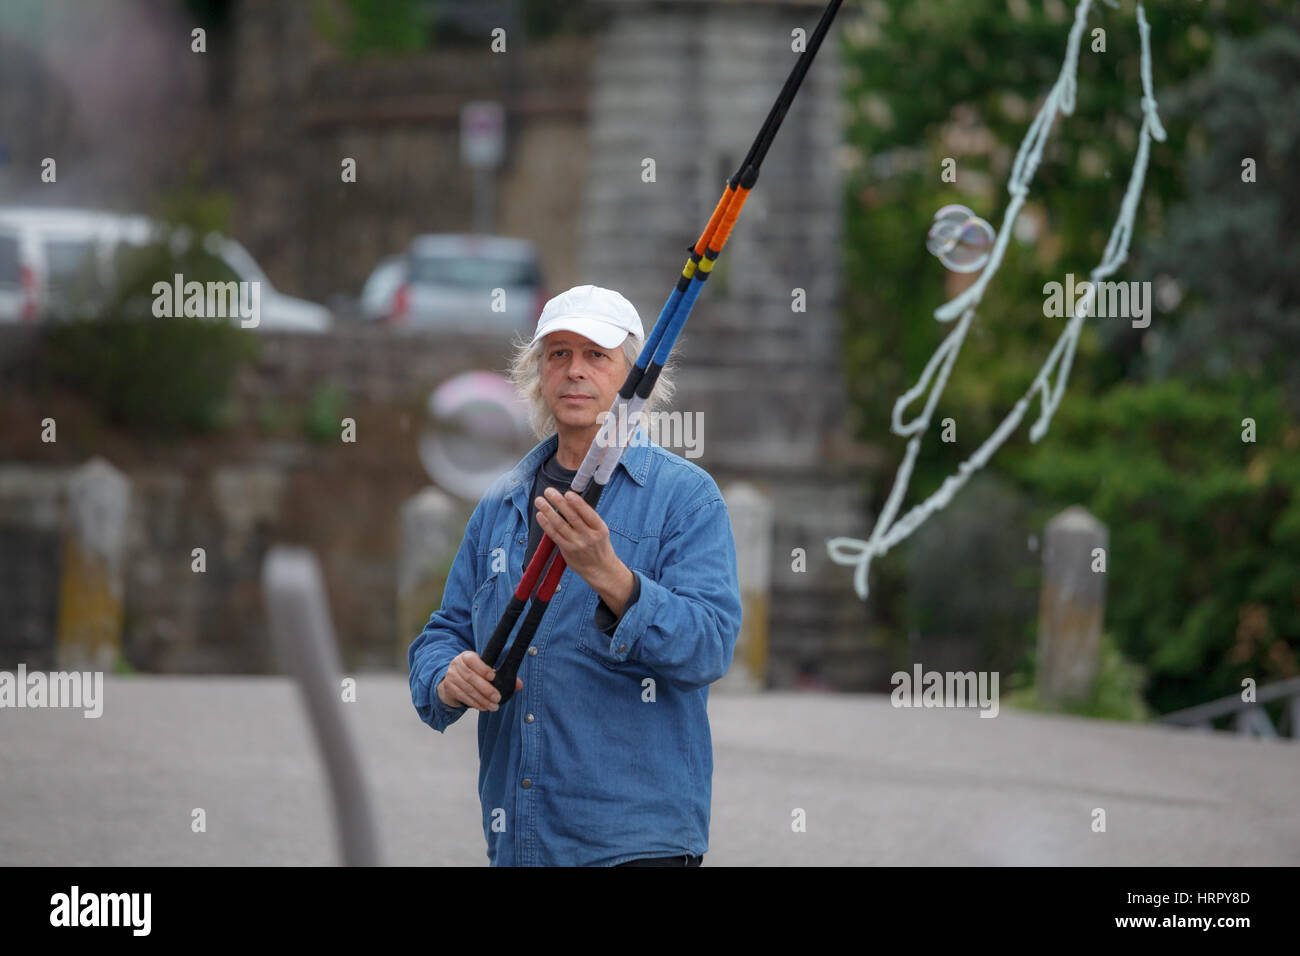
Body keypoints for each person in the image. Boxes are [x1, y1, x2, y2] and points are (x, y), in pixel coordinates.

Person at [408, 284, 743, 866]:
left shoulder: (687, 499)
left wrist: (611, 576)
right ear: (537, 373)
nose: (574, 371)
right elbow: (445, 633)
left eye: (596, 355)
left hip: (636, 845)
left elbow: (709, 647)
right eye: (558, 354)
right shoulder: (500, 502)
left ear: (632, 377)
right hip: (519, 839)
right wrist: (445, 676)